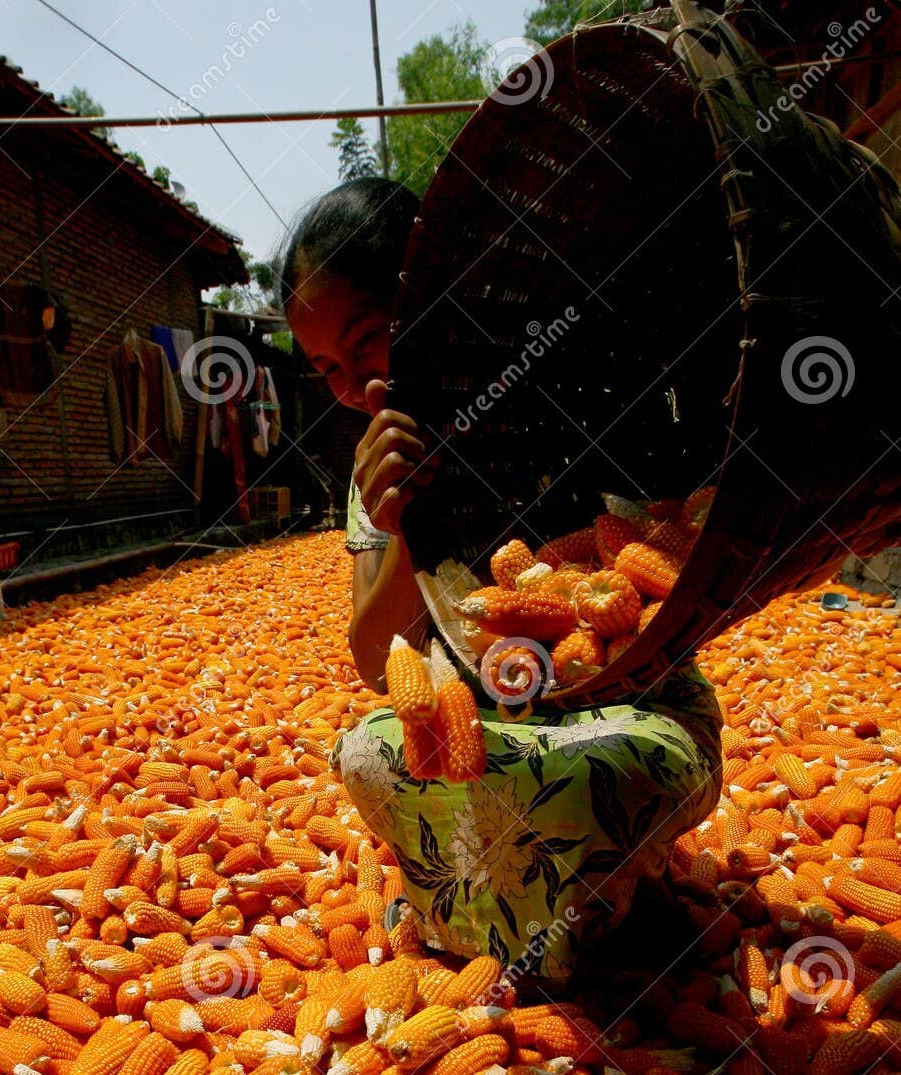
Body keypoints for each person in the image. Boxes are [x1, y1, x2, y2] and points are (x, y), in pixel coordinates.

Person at [281, 178, 722, 988]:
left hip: (624, 712)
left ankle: (534, 909)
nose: (352, 385)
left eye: (368, 339)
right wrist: (401, 517)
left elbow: (663, 567)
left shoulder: (563, 391)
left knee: (616, 769)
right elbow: (380, 665)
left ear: (430, 305)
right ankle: (569, 919)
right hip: (492, 732)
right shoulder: (373, 460)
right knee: (364, 755)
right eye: (325, 368)